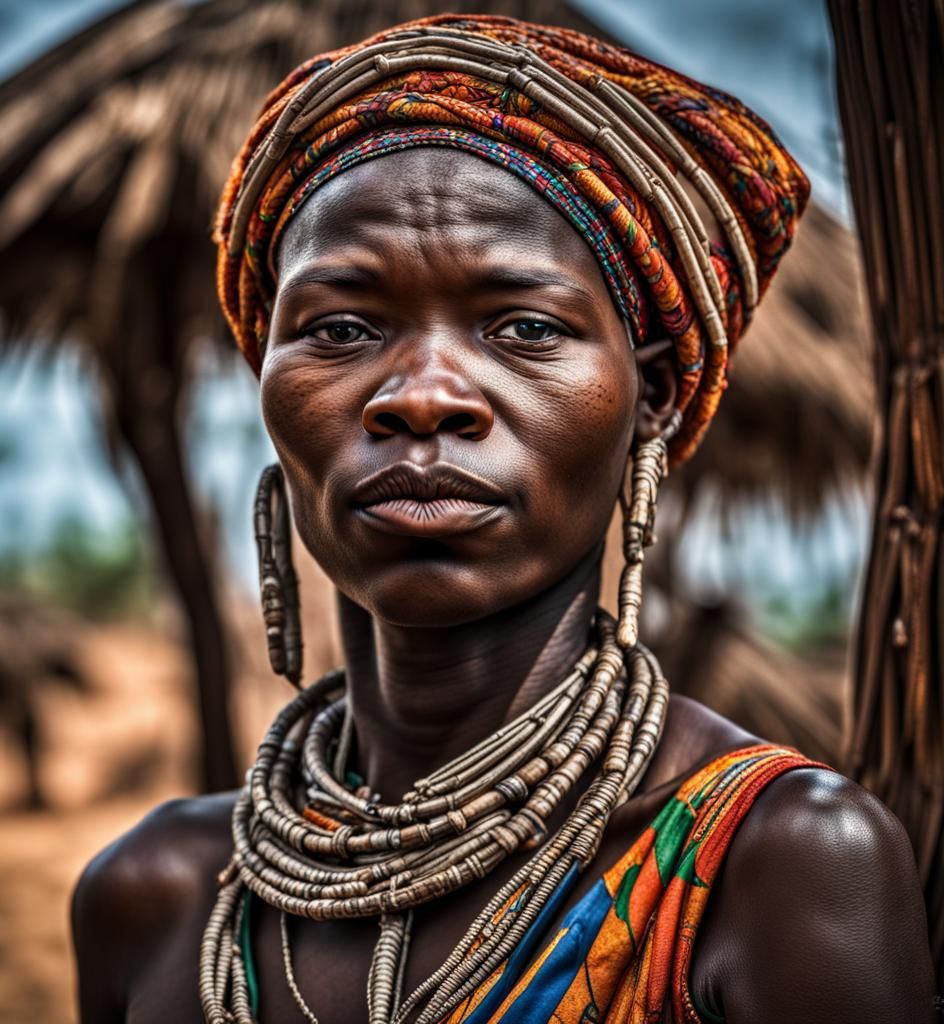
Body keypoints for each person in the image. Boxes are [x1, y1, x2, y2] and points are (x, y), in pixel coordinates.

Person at [71, 15, 936, 1024]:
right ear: (267, 381)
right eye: (339, 328)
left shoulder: (775, 872)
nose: (421, 395)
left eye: (524, 326)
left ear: (651, 396)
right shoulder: (153, 895)